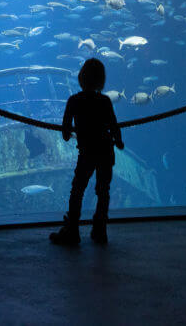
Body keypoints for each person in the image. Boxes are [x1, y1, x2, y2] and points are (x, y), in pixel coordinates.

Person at [50, 58, 124, 246]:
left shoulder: (74, 101)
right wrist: (119, 141)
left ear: (81, 78)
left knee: (78, 189)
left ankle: (72, 230)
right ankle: (100, 230)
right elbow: (114, 126)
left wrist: (71, 133)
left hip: (87, 153)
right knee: (103, 191)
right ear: (101, 81)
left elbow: (66, 132)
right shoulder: (105, 101)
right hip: (106, 151)